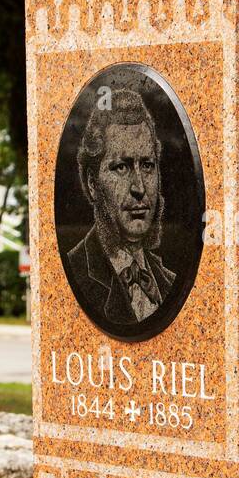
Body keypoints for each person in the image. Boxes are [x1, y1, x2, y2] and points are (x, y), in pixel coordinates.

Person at [65, 88, 175, 329]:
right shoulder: (77, 270)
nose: (139, 188)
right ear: (92, 184)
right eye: (121, 168)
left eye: (147, 165)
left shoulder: (169, 281)